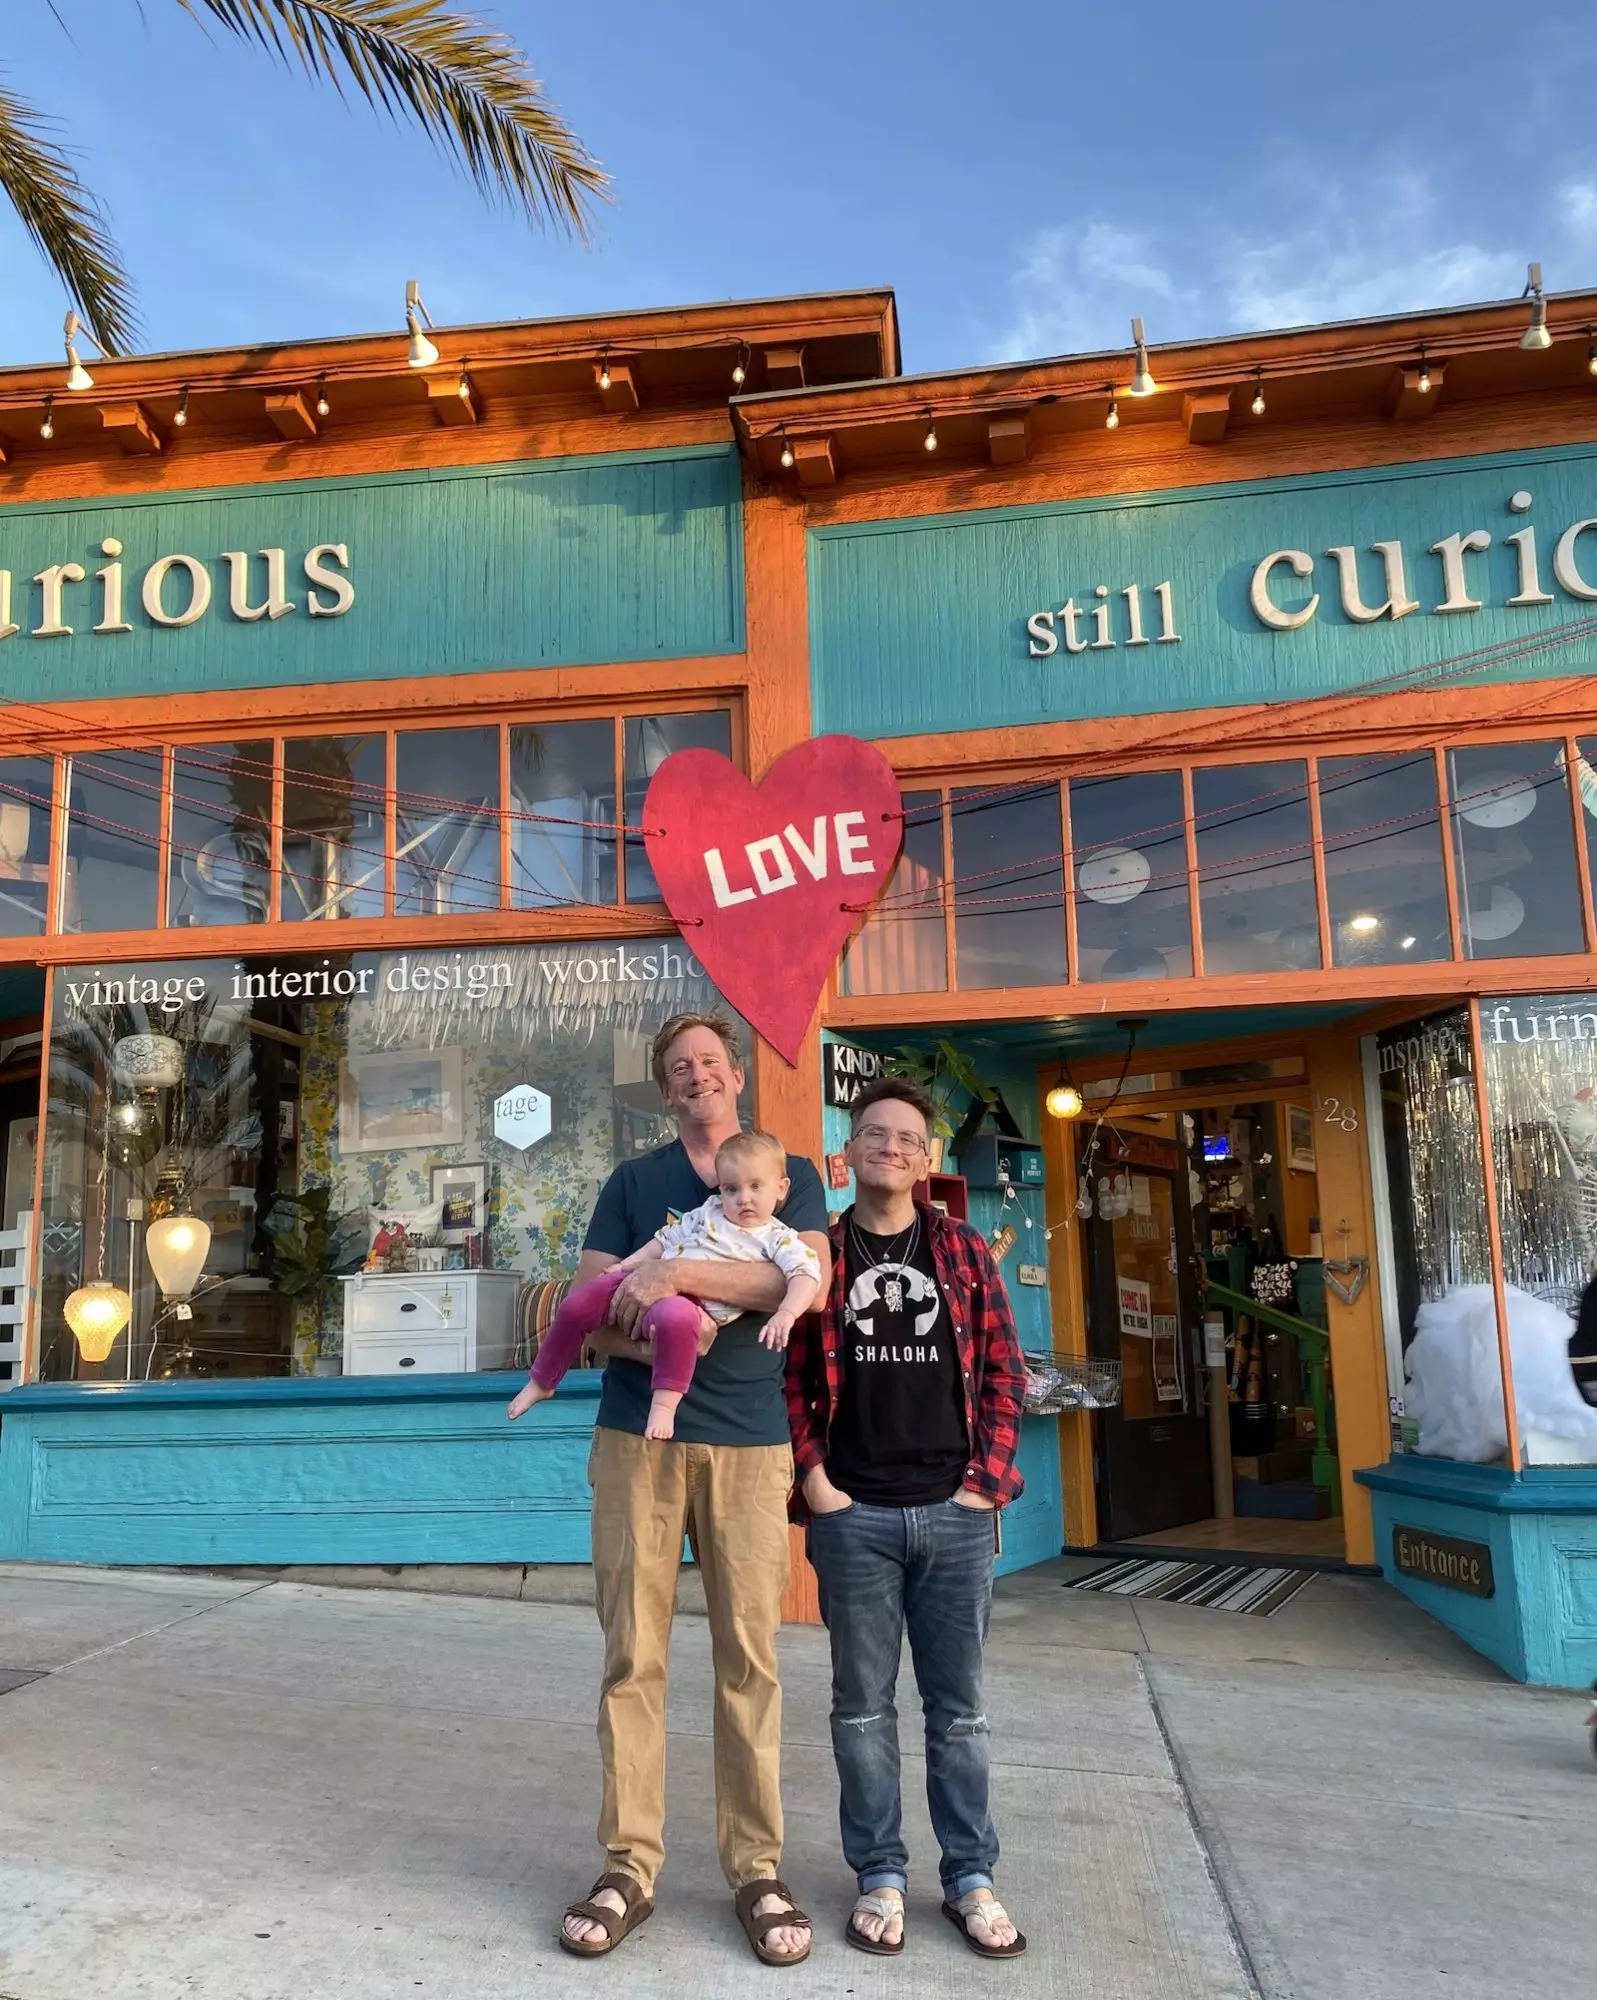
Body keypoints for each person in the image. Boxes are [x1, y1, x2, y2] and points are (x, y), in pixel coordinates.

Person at [523, 1011, 829, 1965]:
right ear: (665, 1091)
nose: (695, 1076)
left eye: (708, 1061)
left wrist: (677, 1272)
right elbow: (599, 1314)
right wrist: (661, 1307)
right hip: (636, 1442)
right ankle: (630, 1867)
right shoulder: (634, 1183)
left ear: (735, 1074)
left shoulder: (794, 1176)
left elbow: (801, 1293)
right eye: (677, 1068)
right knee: (632, 1657)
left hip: (749, 1443)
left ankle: (757, 1870)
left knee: (750, 1658)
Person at [785, 1073, 1028, 1961]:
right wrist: (814, 1481)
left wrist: (983, 1486)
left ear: (925, 1159)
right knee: (860, 1708)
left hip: (955, 1514)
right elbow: (789, 1381)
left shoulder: (963, 1251)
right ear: (844, 1153)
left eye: (906, 1139)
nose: (890, 1148)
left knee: (959, 1712)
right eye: (873, 1135)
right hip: (853, 1515)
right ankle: (879, 1875)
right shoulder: (813, 1258)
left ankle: (970, 1877)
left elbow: (1006, 1373)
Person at [509, 1128, 822, 1438]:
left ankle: (663, 1406)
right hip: (642, 1282)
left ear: (781, 1189)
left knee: (677, 1321)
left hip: (690, 1304)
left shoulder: (778, 1237)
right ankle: (543, 1380)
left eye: (756, 1186)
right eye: (731, 1189)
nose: (744, 1199)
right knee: (578, 1303)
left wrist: (787, 1313)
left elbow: (807, 1276)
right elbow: (663, 1239)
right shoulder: (709, 1212)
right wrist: (626, 1265)